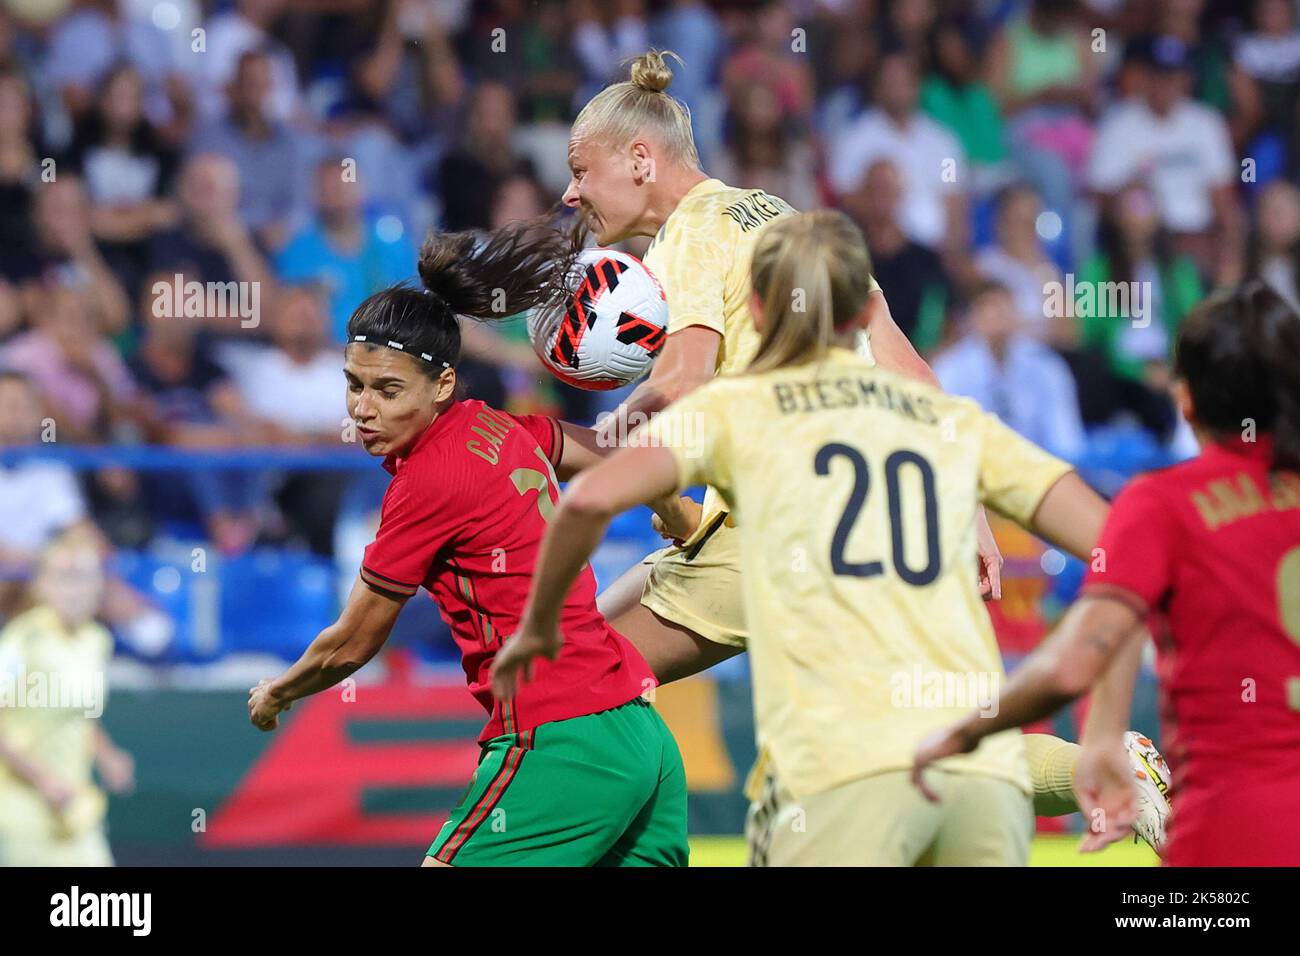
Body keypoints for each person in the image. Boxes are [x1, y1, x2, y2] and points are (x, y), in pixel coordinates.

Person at [558, 49, 1160, 841]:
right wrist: (969, 509)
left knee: (577, 682)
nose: (569, 191)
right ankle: (1111, 768)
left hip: (779, 527)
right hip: (860, 509)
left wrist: (573, 442)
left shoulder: (688, 237)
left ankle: (625, 849)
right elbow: (907, 365)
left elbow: (681, 383)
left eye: (580, 168)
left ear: (640, 159)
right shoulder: (781, 216)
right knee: (927, 740)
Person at [491, 211, 1140, 865]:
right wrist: (1108, 719)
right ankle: (1113, 773)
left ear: (755, 308)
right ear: (865, 317)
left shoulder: (737, 411)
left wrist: (541, 623)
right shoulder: (950, 422)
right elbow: (1127, 556)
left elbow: (593, 498)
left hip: (837, 785)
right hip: (979, 788)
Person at [247, 221, 691, 867]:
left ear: (444, 385)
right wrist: (675, 506)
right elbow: (612, 453)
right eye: (355, 384)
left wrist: (280, 692)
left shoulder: (427, 482)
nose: (363, 409)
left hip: (559, 739)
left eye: (388, 390)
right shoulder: (498, 428)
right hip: (640, 734)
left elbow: (353, 642)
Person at [913, 281, 1300, 866]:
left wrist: (961, 734)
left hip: (1233, 838)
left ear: (1186, 399)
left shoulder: (1164, 505)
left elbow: (1073, 663)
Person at [0, 526, 135, 866]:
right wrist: (44, 781)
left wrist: (107, 756)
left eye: (85, 578)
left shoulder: (96, 641)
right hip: (20, 809)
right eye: (63, 578)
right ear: (41, 585)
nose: (74, 590)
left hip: (74, 808)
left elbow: (82, 715)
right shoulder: (21, 641)